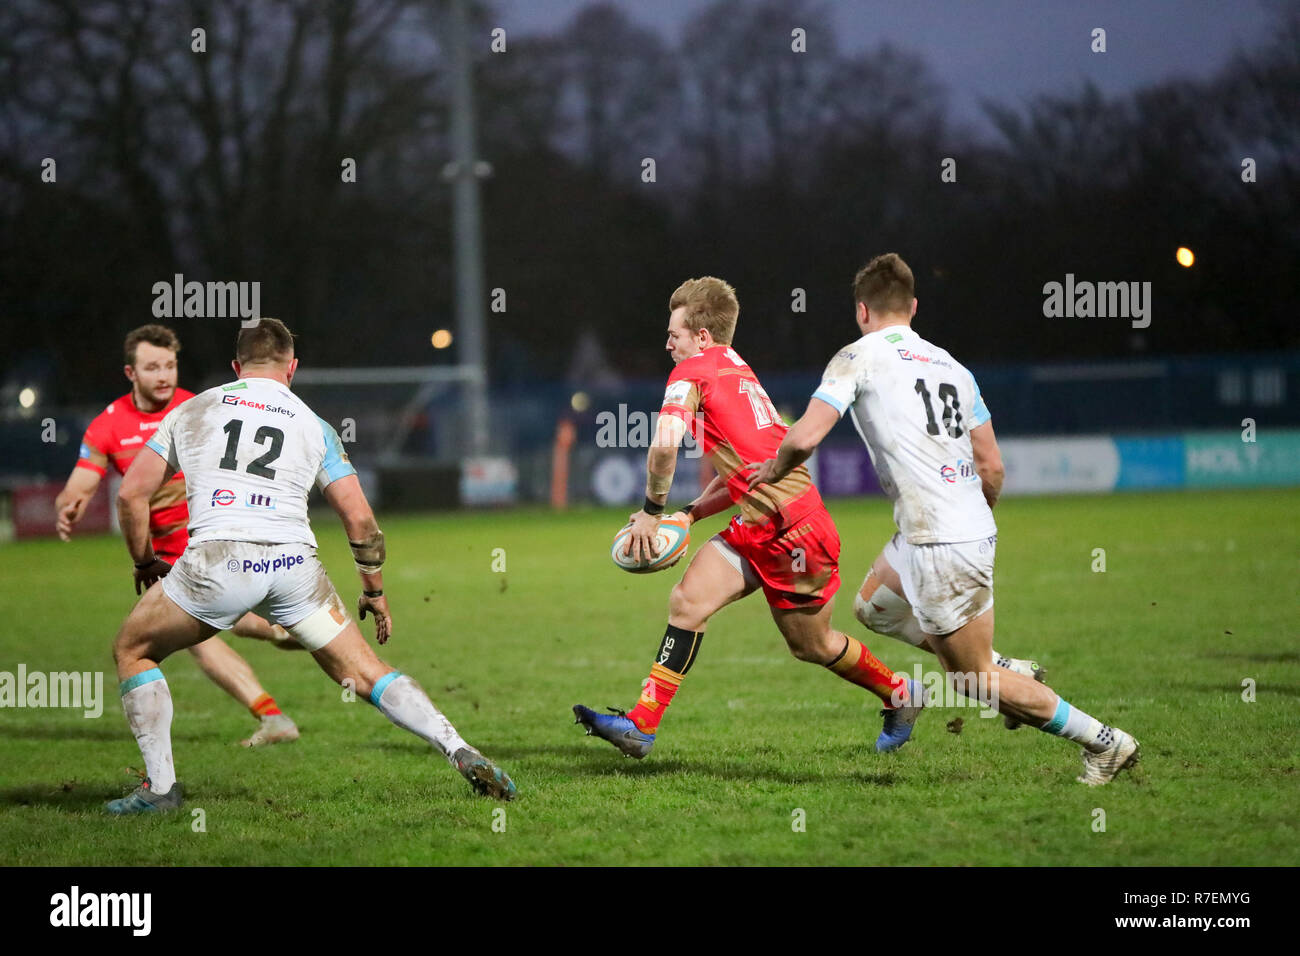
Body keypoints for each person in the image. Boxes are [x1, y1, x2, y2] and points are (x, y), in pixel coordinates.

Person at [747, 254, 1140, 785]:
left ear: (862, 309)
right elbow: (992, 467)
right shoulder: (953, 365)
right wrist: (975, 514)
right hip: (945, 526)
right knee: (873, 607)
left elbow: (803, 437)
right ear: (912, 306)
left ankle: (1104, 741)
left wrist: (772, 469)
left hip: (939, 537)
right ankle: (1003, 663)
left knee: (973, 683)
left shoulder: (855, 356)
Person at [105, 318, 515, 813]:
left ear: (236, 366)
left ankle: (161, 790)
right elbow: (360, 518)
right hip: (293, 566)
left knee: (133, 649)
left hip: (218, 560)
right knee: (366, 672)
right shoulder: (313, 424)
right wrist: (374, 590)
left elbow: (132, 495)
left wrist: (145, 559)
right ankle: (457, 747)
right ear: (292, 368)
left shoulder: (193, 409)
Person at [575, 277, 924, 759]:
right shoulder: (734, 367)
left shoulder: (692, 371)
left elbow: (663, 446)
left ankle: (900, 694)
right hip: (759, 525)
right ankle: (641, 726)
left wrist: (653, 514)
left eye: (674, 333)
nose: (667, 343)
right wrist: (691, 513)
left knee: (812, 645)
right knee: (687, 601)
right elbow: (746, 473)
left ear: (702, 337)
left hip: (796, 535)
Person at [54, 324, 299, 747]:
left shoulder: (200, 407)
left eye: (170, 365)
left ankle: (282, 681)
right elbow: (83, 479)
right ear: (130, 373)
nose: (164, 375)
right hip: (168, 555)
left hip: (217, 536)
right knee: (212, 635)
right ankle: (282, 674)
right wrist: (69, 501)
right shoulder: (107, 426)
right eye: (152, 367)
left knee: (199, 635)